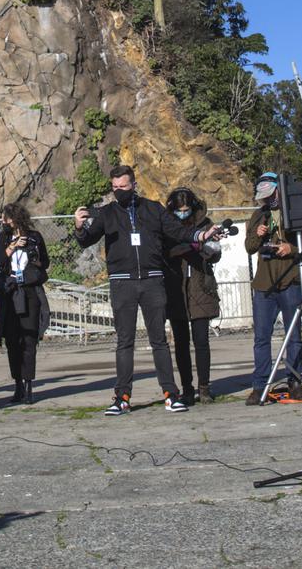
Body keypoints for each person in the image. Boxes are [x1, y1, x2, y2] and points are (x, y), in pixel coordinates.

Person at [73, 165, 214, 415]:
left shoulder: (153, 209)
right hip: (122, 282)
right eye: (115, 188)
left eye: (123, 187)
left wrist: (200, 235)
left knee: (158, 340)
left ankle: (171, 394)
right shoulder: (107, 214)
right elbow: (86, 240)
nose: (119, 192)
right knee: (124, 342)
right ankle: (122, 397)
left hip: (152, 281)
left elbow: (178, 231)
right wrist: (79, 227)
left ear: (134, 185)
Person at [245, 173, 302, 404]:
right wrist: (257, 235)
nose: (267, 201)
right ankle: (259, 385)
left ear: (280, 190)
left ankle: (295, 381)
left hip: (290, 281)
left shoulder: (297, 211)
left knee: (294, 337)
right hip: (264, 285)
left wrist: (291, 248)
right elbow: (249, 247)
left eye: (271, 196)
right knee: (262, 338)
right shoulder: (257, 216)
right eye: (263, 198)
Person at [163, 187, 222, 405]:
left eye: (187, 210)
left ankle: (204, 387)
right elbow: (164, 252)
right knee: (180, 343)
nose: (183, 213)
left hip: (200, 286)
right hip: (176, 289)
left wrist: (208, 248)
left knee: (201, 340)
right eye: (179, 210)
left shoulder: (205, 223)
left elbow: (214, 254)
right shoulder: (167, 226)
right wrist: (188, 247)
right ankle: (187, 388)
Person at [0, 203, 50, 404]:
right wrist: (12, 246)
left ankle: (28, 385)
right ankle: (17, 385)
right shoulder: (4, 238)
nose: (3, 221)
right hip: (10, 293)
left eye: (5, 218)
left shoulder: (35, 237)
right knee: (12, 341)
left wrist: (33, 257)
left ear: (15, 218)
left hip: (29, 293)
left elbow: (45, 262)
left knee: (28, 341)